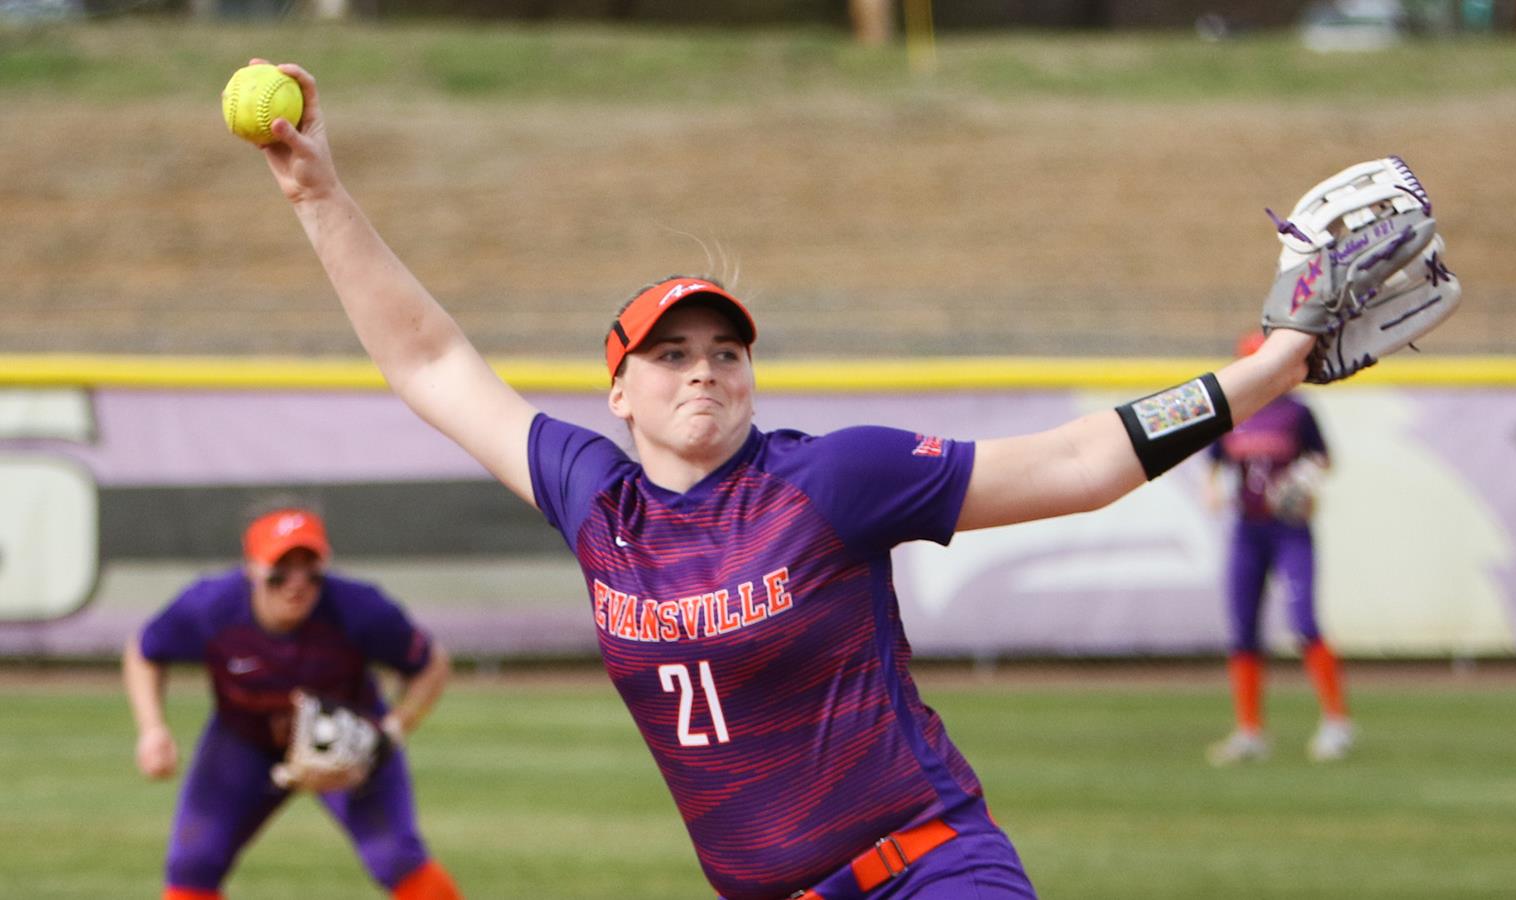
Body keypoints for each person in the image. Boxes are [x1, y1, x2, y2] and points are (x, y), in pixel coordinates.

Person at [245, 59, 1325, 900]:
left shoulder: (835, 478)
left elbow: (1081, 463)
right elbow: (431, 362)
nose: (703, 367)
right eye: (669, 353)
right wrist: (316, 192)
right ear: (617, 392)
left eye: (725, 348)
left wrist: (1265, 370)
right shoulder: (595, 501)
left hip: (928, 865)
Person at [121, 505, 462, 900]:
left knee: (396, 857)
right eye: (280, 570)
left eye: (311, 570)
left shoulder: (359, 609)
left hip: (346, 740)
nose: (296, 584)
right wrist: (152, 729)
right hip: (245, 741)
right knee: (192, 863)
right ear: (252, 569)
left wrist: (389, 734)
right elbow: (144, 651)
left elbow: (431, 665)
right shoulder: (212, 607)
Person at [1202, 331, 1353, 766]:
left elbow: (1322, 459)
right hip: (1247, 530)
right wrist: (1213, 491)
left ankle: (1336, 722)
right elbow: (1216, 466)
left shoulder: (1295, 412)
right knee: (1243, 630)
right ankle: (1250, 731)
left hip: (1289, 529)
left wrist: (1301, 482)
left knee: (1305, 622)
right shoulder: (1229, 416)